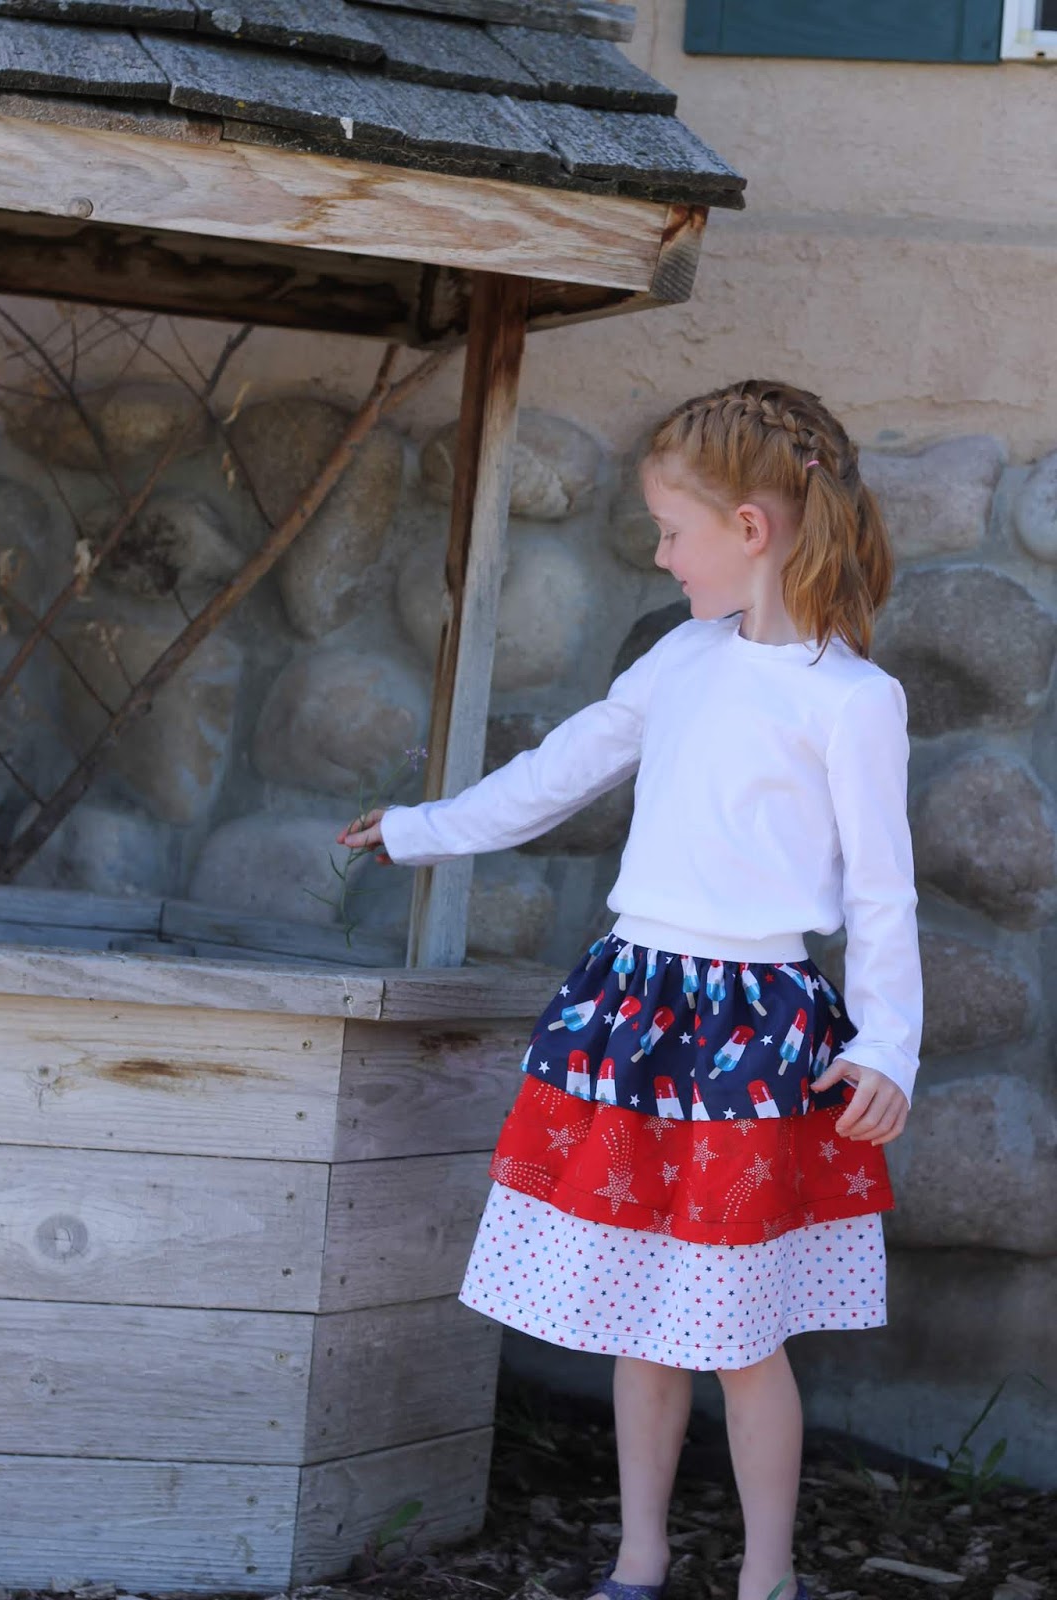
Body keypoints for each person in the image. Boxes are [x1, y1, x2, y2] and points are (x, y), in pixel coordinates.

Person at [338, 379, 922, 1600]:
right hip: (629, 1008)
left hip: (753, 1029)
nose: (659, 554)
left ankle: (768, 1579)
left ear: (750, 532)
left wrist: (889, 1047)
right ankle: (637, 1557)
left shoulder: (852, 699)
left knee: (737, 1327)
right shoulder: (680, 659)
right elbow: (557, 773)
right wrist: (419, 827)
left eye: (671, 530)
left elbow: (881, 892)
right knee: (635, 1310)